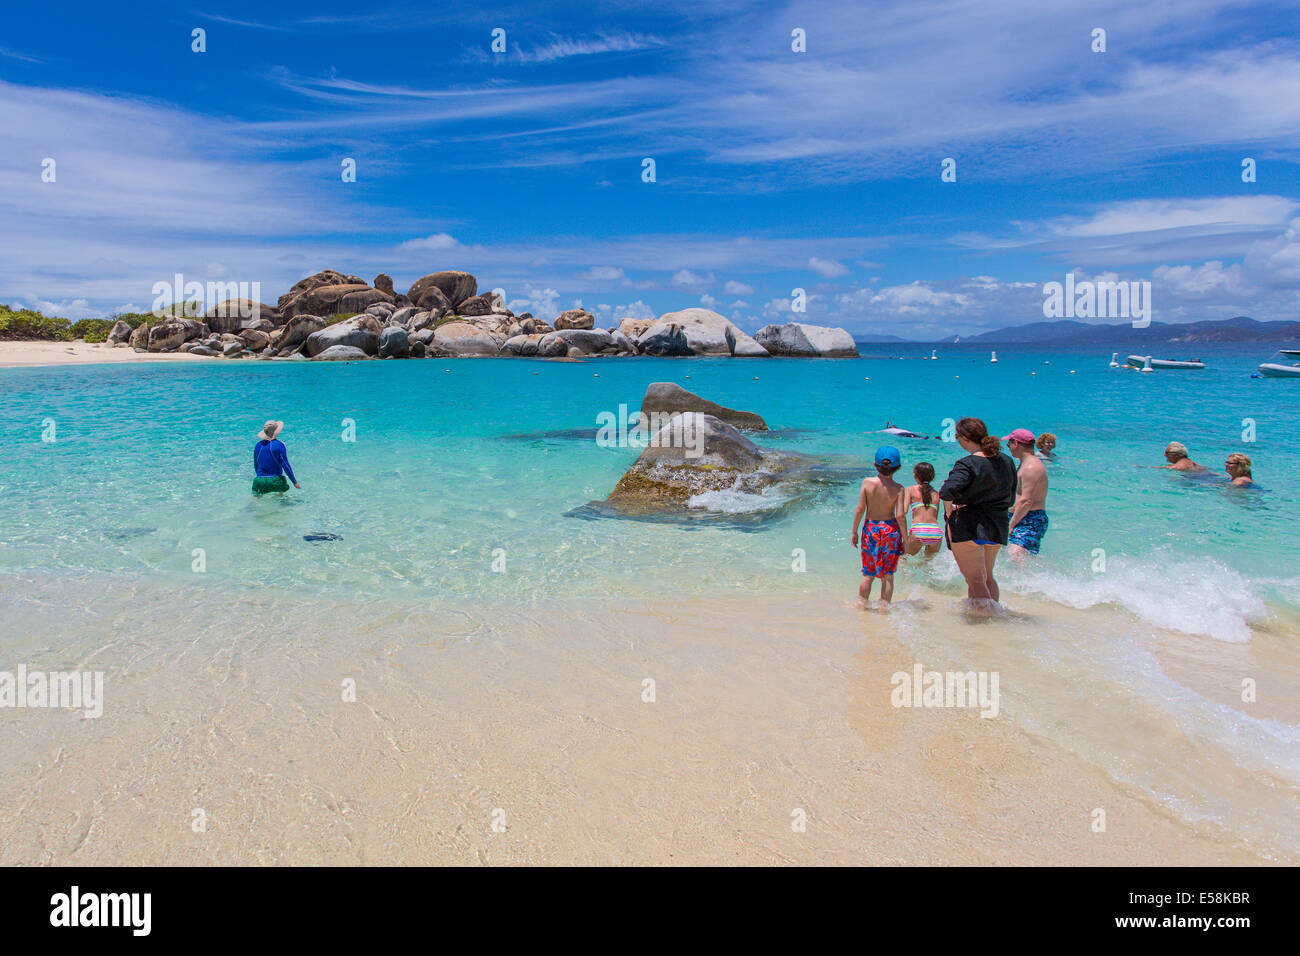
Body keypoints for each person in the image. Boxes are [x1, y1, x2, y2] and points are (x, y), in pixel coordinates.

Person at [939, 417, 1017, 607]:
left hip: (970, 527)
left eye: (957, 436)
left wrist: (950, 511)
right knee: (988, 577)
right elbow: (1012, 495)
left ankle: (982, 625)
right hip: (997, 526)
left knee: (975, 581)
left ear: (965, 438)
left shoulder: (967, 463)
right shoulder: (1006, 461)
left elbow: (947, 492)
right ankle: (993, 620)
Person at [851, 446, 905, 608]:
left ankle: (862, 607)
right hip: (890, 531)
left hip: (871, 529)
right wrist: (906, 539)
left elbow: (860, 509)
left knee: (868, 574)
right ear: (898, 467)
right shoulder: (899, 489)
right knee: (888, 576)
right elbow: (900, 516)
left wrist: (854, 531)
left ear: (875, 464)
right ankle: (884, 610)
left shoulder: (867, 483)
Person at [1004, 428, 1049, 559]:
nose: (1009, 447)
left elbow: (1026, 501)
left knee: (1016, 554)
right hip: (1022, 516)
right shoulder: (1025, 463)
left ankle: (1030, 579)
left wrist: (1011, 525)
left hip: (1029, 518)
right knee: (1014, 556)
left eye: (1009, 444)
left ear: (1016, 443)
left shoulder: (1031, 467)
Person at [897, 461, 944, 560]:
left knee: (902, 557)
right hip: (936, 532)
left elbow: (904, 512)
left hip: (919, 531)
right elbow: (935, 516)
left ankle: (905, 576)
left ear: (915, 475)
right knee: (927, 564)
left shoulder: (910, 490)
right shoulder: (936, 493)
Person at [252, 420, 301, 494]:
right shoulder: (279, 445)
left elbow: (256, 465)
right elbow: (285, 465)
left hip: (259, 480)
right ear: (276, 432)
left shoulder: (258, 445)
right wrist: (294, 482)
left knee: (256, 500)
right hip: (276, 480)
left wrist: (261, 479)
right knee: (282, 499)